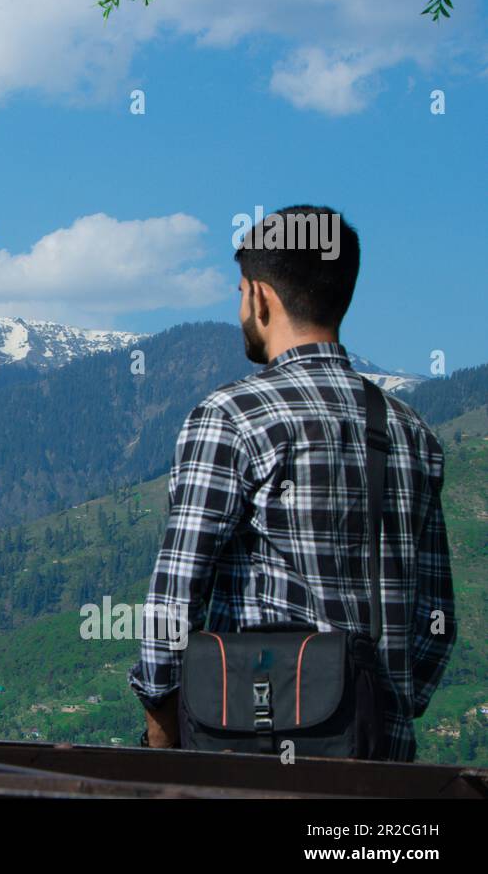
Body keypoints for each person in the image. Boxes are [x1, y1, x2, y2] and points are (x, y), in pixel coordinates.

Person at [128, 205, 456, 761]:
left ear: (260, 297)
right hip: (384, 771)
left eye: (238, 292)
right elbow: (435, 624)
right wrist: (379, 707)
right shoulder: (412, 431)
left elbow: (174, 597)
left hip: (254, 758)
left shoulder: (233, 415)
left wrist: (163, 731)